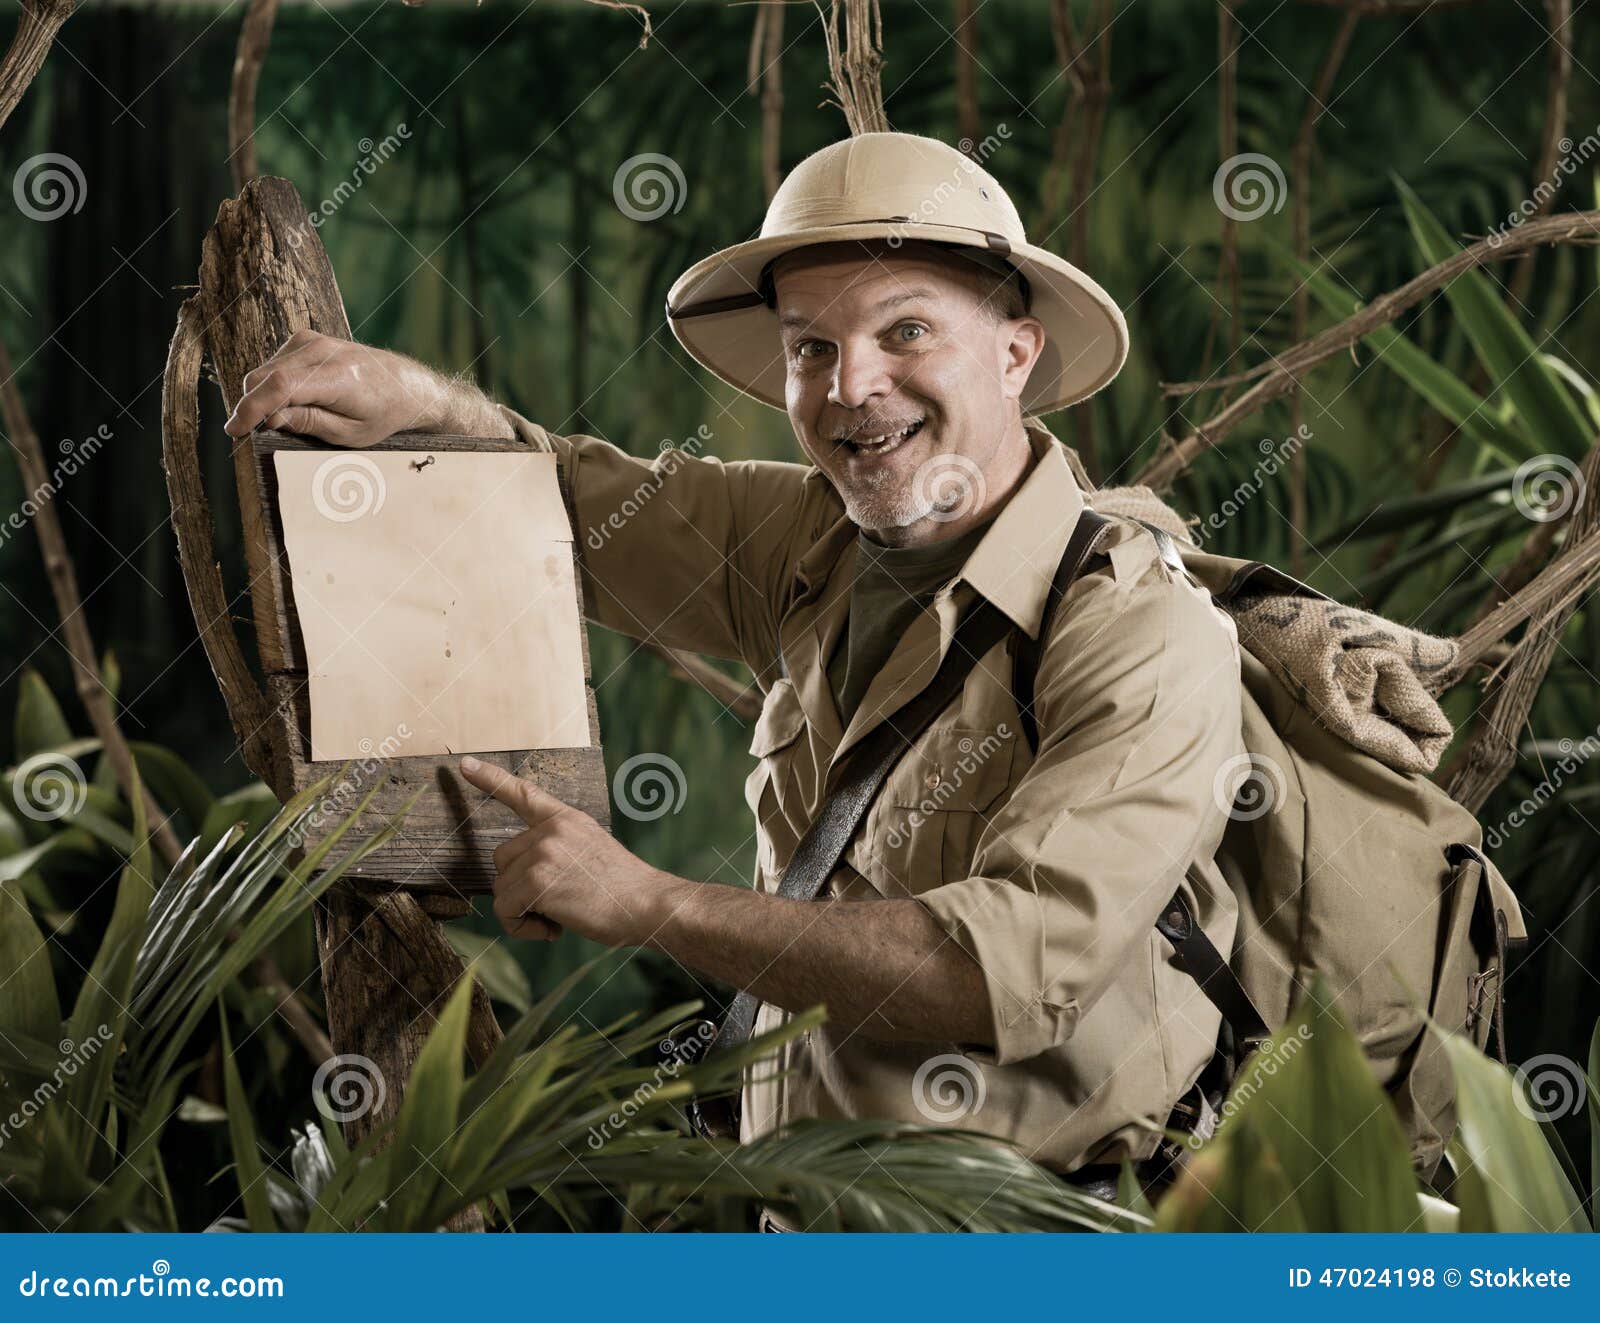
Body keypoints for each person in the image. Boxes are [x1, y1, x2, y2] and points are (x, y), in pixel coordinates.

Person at [224, 132, 1245, 1214]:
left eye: (906, 330)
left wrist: (646, 902)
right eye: (811, 347)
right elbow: (571, 503)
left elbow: (1009, 968)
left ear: (1014, 355)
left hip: (1040, 1228)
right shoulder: (816, 539)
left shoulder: (1138, 628)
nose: (851, 386)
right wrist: (423, 398)